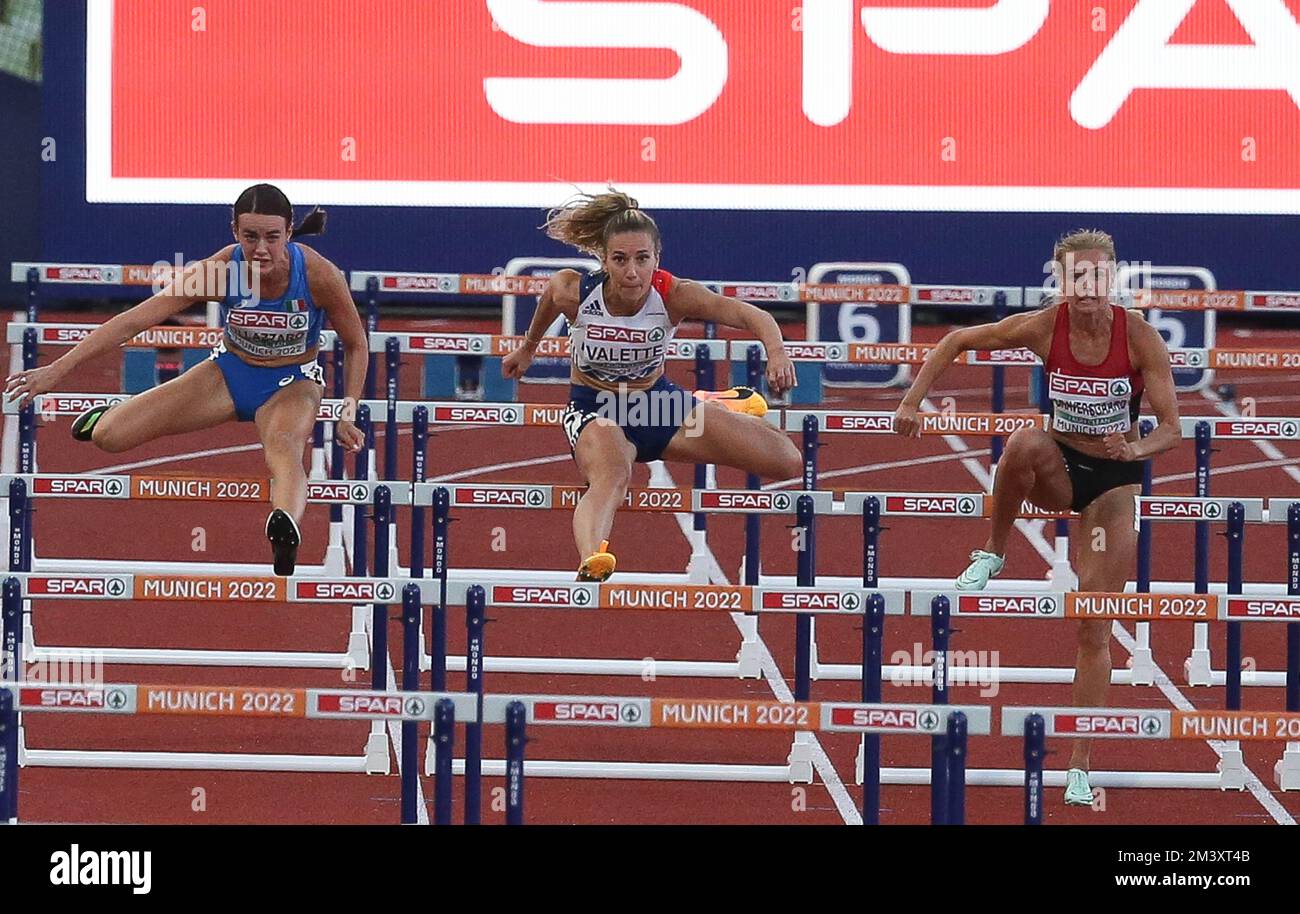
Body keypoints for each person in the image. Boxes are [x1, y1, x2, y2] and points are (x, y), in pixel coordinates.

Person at [892, 229, 1180, 806]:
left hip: (1113, 485)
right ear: (1063, 282)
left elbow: (1171, 427)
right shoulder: (1045, 327)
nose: (1088, 287)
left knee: (1094, 624)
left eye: (1098, 275)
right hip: (1058, 468)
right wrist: (911, 401)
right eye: (1076, 277)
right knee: (1023, 442)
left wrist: (1137, 450)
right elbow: (954, 340)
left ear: (1113, 279)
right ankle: (994, 551)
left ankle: (1079, 760)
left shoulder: (1140, 337)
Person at [5, 184, 368, 575]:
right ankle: (117, 414)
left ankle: (285, 527)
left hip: (292, 382)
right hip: (229, 374)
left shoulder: (318, 275)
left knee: (284, 446)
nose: (261, 249)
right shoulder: (220, 272)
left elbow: (356, 345)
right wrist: (56, 370)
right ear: (234, 232)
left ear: (290, 232)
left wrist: (349, 408)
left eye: (272, 237)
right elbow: (134, 321)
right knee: (109, 438)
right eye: (250, 237)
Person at [503, 190, 803, 581]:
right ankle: (592, 558)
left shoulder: (674, 294)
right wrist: (528, 348)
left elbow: (752, 314)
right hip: (596, 409)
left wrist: (776, 353)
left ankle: (718, 405)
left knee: (787, 461)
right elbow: (549, 300)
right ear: (605, 261)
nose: (632, 272)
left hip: (658, 406)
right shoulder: (576, 290)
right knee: (613, 475)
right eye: (620, 259)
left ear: (656, 259)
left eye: (642, 259)